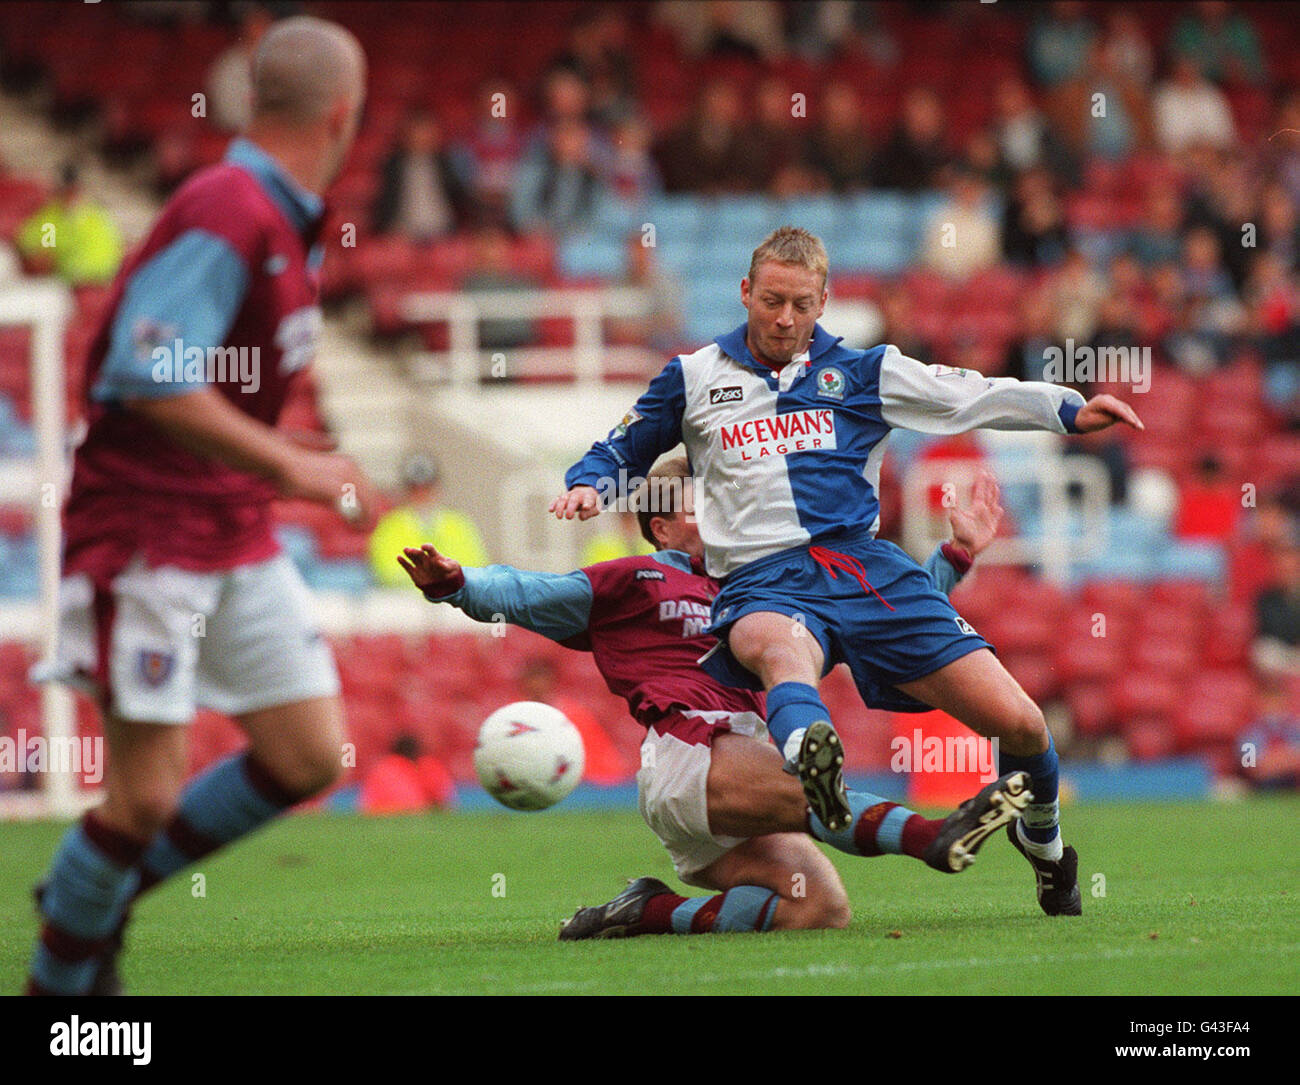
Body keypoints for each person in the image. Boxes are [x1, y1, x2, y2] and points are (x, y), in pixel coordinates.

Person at [552, 227, 1145, 917]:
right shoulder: (693, 377)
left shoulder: (867, 373)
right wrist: (592, 483)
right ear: (746, 292)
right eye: (771, 300)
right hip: (762, 578)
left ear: (823, 302)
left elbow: (968, 394)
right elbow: (623, 443)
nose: (784, 317)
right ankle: (814, 756)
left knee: (1020, 722)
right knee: (780, 649)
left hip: (866, 570)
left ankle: (1045, 848)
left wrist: (1067, 408)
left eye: (801, 304)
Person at [25, 16, 376, 996]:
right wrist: (290, 465)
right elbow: (149, 374)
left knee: (307, 751)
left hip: (229, 524)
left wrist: (285, 456)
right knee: (138, 798)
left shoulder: (270, 212)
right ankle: (64, 993)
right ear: (345, 117)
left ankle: (87, 894)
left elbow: (202, 382)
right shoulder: (231, 208)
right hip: (148, 536)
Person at [401, 458, 1029, 938]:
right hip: (690, 753)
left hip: (733, 768)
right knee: (817, 786)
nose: (720, 514)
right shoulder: (635, 577)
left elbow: (886, 616)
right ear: (661, 524)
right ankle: (932, 837)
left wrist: (956, 554)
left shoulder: (763, 588)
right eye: (700, 504)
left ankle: (648, 911)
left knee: (816, 907)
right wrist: (458, 583)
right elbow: (529, 593)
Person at [368, 453, 488, 587]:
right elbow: (386, 571)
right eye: (415, 489)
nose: (421, 494)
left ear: (437, 488)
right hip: (405, 599)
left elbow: (475, 565)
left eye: (426, 488)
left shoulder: (458, 524)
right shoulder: (390, 525)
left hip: (453, 597)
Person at [16, 163, 124, 286]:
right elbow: (42, 253)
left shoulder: (97, 218)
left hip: (85, 285)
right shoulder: (51, 217)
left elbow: (102, 266)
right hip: (58, 282)